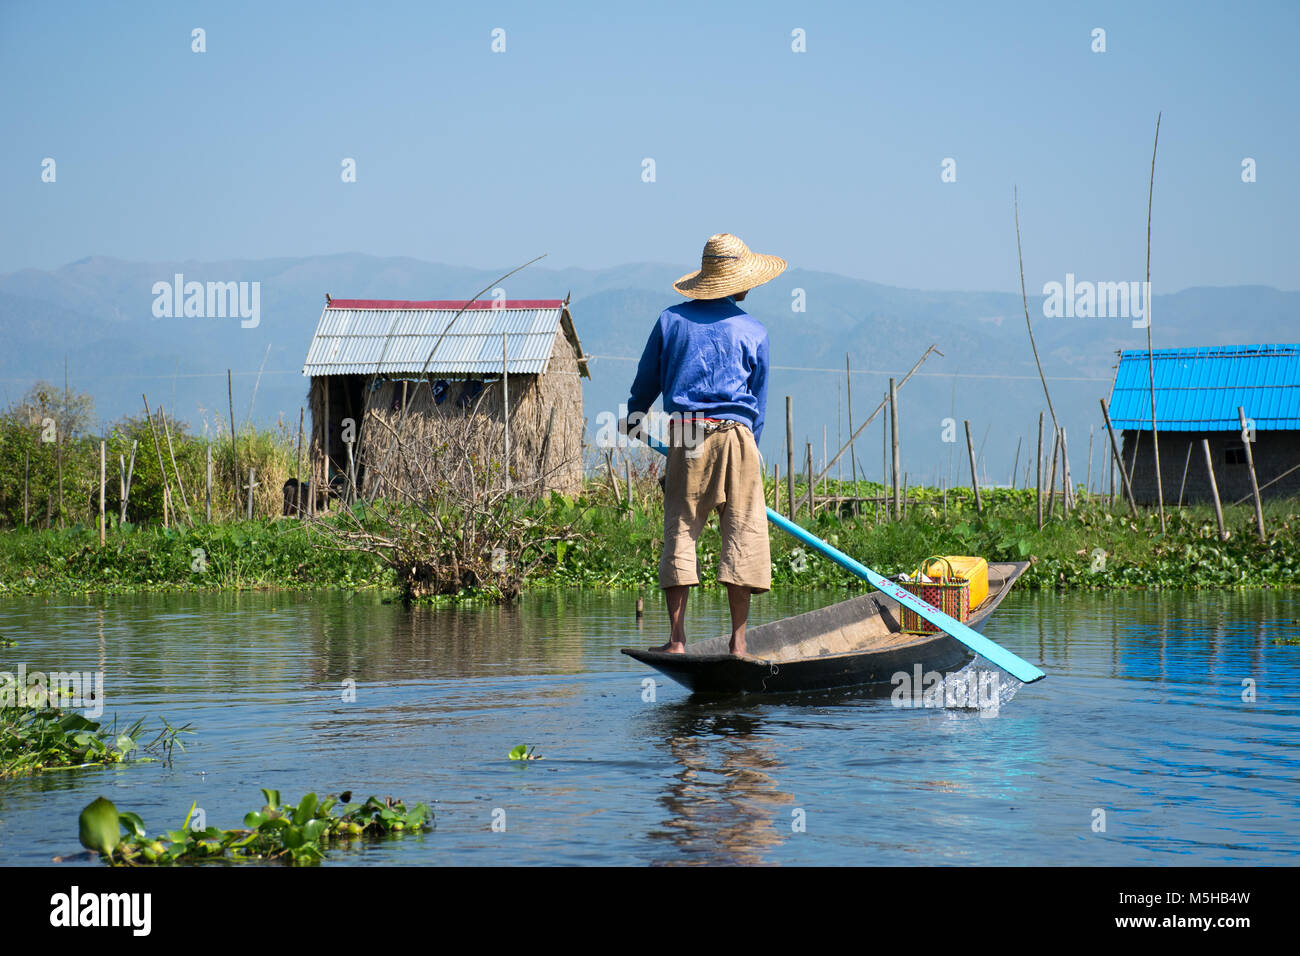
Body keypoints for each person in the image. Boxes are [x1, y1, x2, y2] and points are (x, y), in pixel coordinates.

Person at [623, 233, 785, 657]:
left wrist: (635, 414)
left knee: (681, 528)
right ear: (740, 283)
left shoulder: (670, 321)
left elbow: (648, 378)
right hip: (736, 434)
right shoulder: (754, 330)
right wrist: (750, 448)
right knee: (743, 531)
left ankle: (677, 641)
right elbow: (759, 403)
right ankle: (739, 643)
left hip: (688, 434)